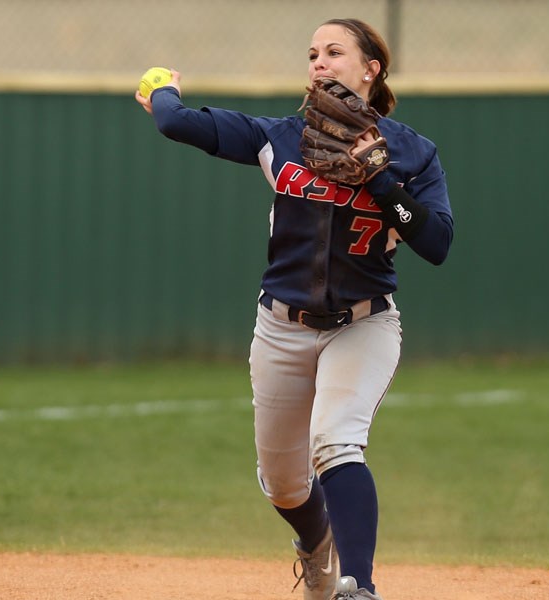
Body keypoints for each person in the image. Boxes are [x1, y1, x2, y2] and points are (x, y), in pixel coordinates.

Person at [136, 17, 453, 600]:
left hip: (363, 324)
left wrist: (382, 180)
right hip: (281, 327)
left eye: (334, 52)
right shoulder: (281, 138)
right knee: (283, 484)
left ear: (371, 69)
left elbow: (436, 243)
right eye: (312, 55)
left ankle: (358, 587)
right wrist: (163, 89)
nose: (319, 63)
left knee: (336, 442)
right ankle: (315, 543)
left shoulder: (412, 153)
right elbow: (177, 123)